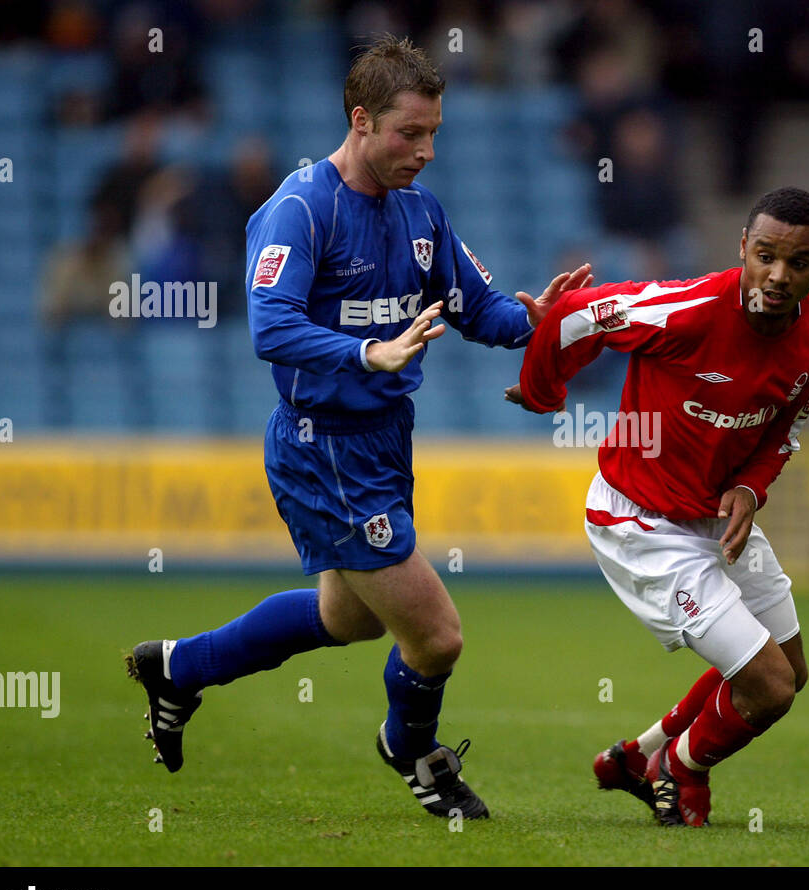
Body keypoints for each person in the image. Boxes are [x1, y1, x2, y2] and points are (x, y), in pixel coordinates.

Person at [125, 35, 591, 820]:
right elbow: (271, 325)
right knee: (436, 636)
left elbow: (477, 309)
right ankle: (414, 751)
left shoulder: (420, 210)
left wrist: (534, 319)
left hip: (384, 437)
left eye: (433, 133)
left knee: (346, 619)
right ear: (361, 120)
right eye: (410, 133)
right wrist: (367, 352)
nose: (426, 151)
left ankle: (178, 668)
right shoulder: (301, 208)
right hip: (323, 446)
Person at [506, 187, 809, 826]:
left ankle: (638, 757)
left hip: (717, 519)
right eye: (765, 256)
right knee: (768, 685)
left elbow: (784, 430)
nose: (778, 275)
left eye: (799, 262)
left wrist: (752, 487)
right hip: (641, 520)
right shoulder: (687, 310)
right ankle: (681, 768)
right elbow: (574, 315)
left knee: (789, 672)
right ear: (743, 248)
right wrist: (543, 391)